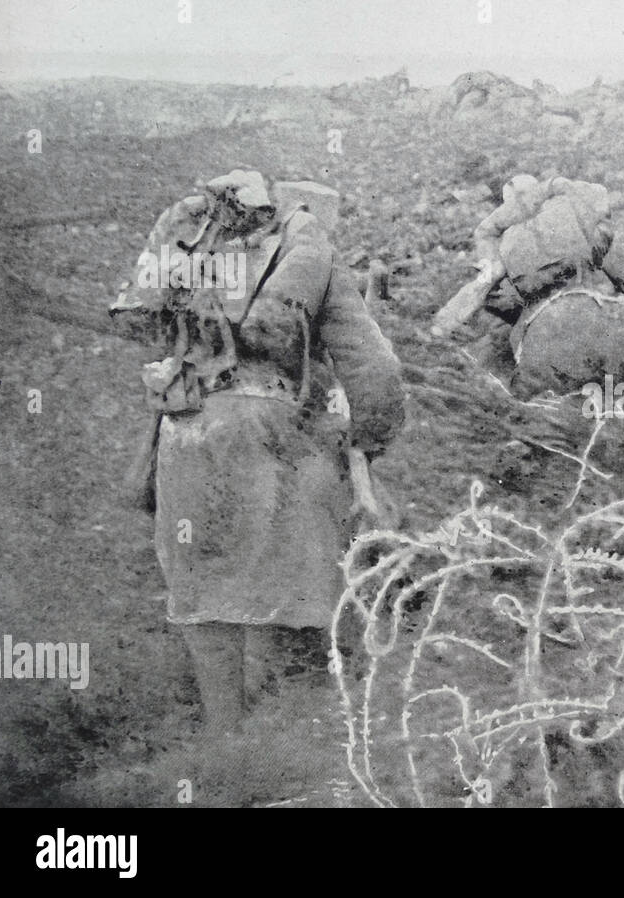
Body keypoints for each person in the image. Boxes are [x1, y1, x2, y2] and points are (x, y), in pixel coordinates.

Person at [111, 170, 405, 737]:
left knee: (204, 589)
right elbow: (375, 367)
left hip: (184, 425)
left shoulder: (195, 233)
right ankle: (286, 749)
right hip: (268, 425)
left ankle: (226, 740)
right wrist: (368, 443)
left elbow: (145, 320)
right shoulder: (310, 244)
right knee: (285, 579)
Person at [430, 173, 624, 397]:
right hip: (594, 309)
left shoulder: (504, 247)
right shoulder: (575, 216)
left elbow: (485, 299)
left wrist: (441, 327)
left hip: (540, 333)